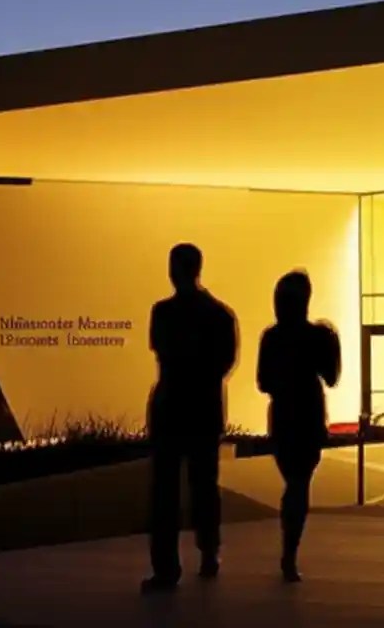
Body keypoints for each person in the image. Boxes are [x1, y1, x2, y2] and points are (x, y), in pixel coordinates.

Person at [143, 243, 239, 593]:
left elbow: (163, 352)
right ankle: (209, 551)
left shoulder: (163, 313)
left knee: (165, 492)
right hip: (203, 409)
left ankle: (166, 568)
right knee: (204, 486)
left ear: (173, 269)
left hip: (171, 408)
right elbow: (223, 363)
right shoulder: (220, 315)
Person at [257, 270, 341, 583]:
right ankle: (289, 550)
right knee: (299, 483)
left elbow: (263, 382)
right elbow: (332, 377)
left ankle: (289, 547)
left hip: (283, 415)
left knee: (294, 482)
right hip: (307, 414)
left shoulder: (272, 337)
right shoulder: (317, 336)